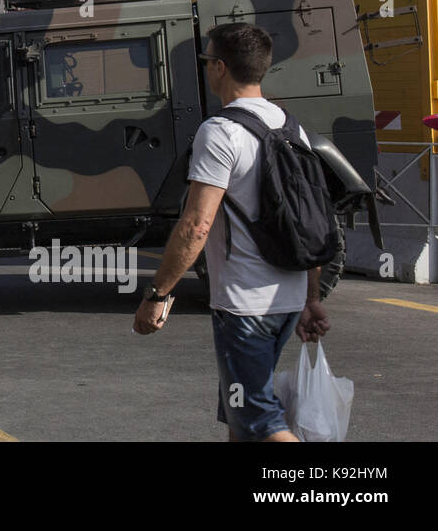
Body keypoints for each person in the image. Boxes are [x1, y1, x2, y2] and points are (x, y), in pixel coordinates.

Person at [133, 23, 328, 442]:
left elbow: (196, 225)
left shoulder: (220, 132)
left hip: (245, 306)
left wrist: (159, 294)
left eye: (206, 60)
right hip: (288, 298)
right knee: (242, 421)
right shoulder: (291, 127)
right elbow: (309, 222)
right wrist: (310, 298)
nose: (205, 68)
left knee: (260, 421)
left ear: (220, 67)